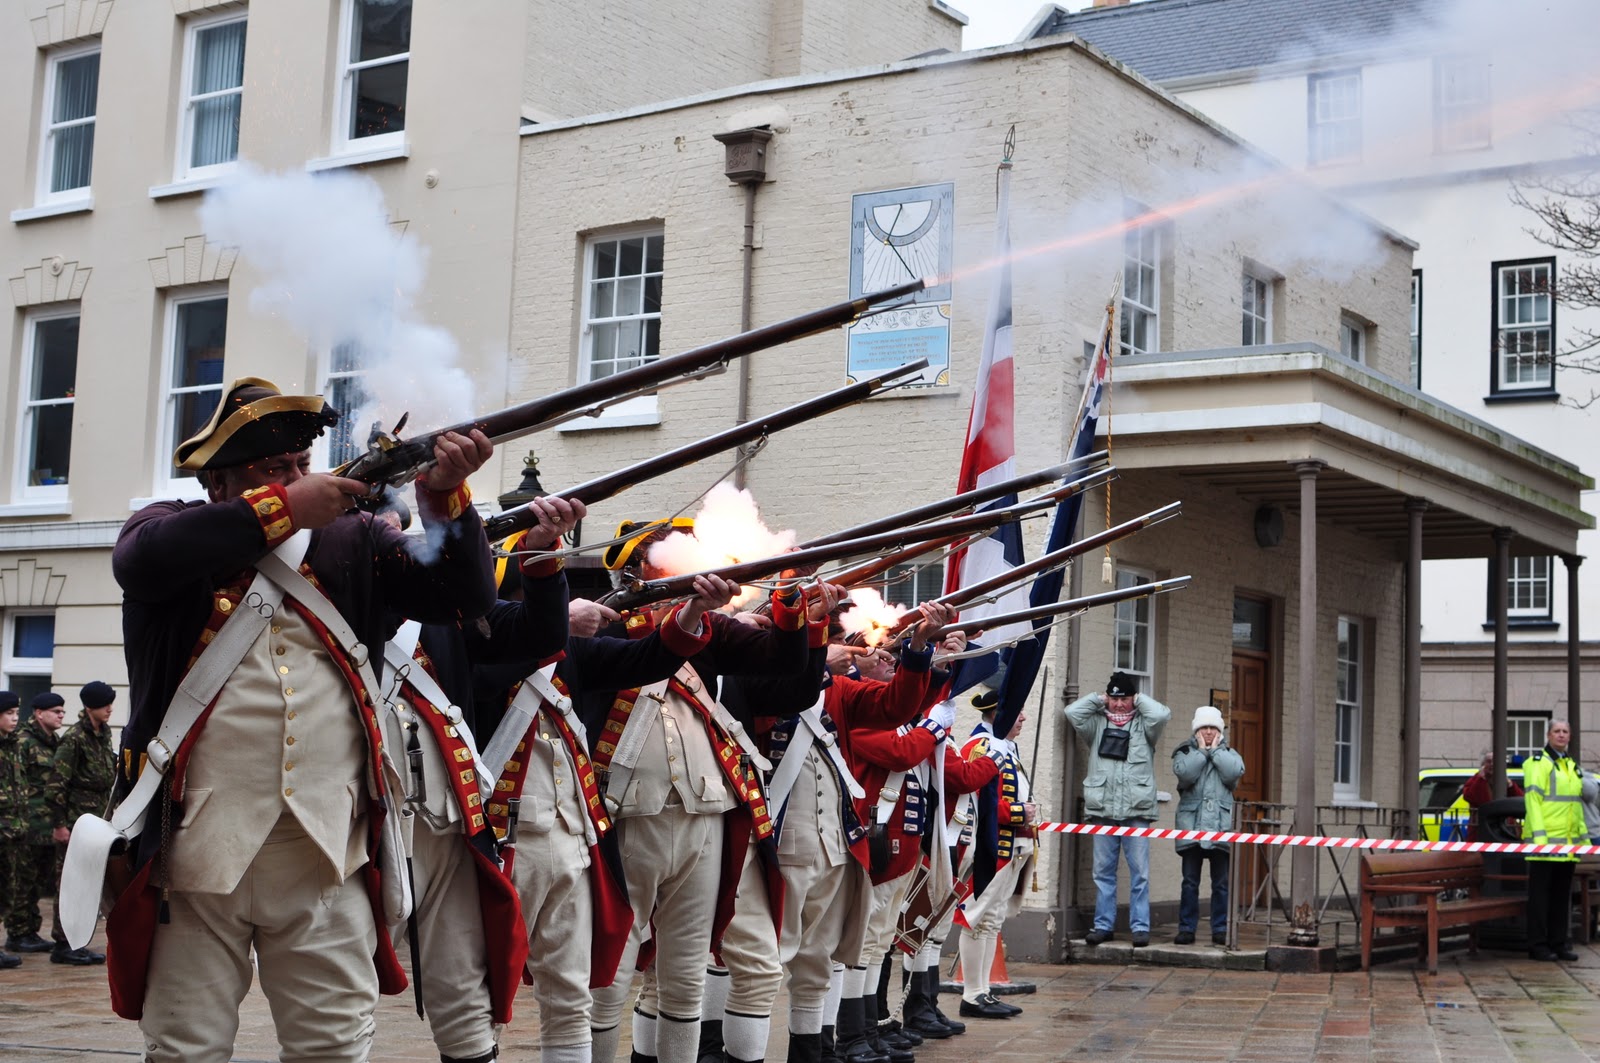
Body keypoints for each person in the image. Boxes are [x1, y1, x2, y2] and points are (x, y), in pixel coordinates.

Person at [107, 377, 497, 1062]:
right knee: (185, 1048)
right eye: (272, 470)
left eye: (298, 467)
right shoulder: (167, 532)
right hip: (194, 855)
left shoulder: (352, 540)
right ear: (222, 482)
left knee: (334, 1048)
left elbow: (463, 596)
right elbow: (145, 557)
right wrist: (285, 507)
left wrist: (444, 495)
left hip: (327, 851)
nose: (294, 479)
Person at [582, 517, 819, 1063]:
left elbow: (786, 667)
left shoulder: (714, 630)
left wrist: (788, 592)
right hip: (623, 814)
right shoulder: (609, 626)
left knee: (686, 973)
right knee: (610, 968)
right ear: (642, 567)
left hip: (707, 814)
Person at [1065, 671, 1170, 947]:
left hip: (1136, 812)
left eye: (1124, 698)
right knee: (1102, 873)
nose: (1119, 704)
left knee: (1140, 874)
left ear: (1133, 699)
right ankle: (1103, 926)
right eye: (1114, 698)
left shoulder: (1145, 725)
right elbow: (1072, 713)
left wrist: (1139, 699)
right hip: (1103, 811)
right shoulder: (1096, 725)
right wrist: (1097, 699)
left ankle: (1140, 928)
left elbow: (1161, 715)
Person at [953, 695, 1036, 1020]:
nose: (1024, 718)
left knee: (992, 920)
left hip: (1012, 846)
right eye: (1017, 712)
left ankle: (982, 991)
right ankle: (972, 994)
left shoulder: (1005, 747)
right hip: (991, 846)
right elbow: (976, 801)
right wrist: (1018, 811)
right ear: (997, 715)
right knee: (978, 919)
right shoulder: (981, 746)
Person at [45, 681, 118, 965]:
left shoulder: (103, 734)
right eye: (104, 705)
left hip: (98, 821)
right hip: (75, 822)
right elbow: (56, 785)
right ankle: (63, 943)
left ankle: (77, 941)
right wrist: (60, 825)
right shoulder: (74, 738)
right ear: (89, 707)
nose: (110, 709)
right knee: (69, 882)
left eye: (111, 703)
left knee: (88, 883)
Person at [1170, 705, 1243, 947]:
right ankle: (1186, 928)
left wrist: (1216, 752)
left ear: (1220, 731)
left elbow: (1233, 774)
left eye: (1213, 728)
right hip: (1192, 826)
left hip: (1220, 828)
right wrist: (1202, 752)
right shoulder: (1184, 751)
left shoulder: (1230, 754)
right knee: (1190, 881)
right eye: (1204, 728)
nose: (1209, 732)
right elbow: (1185, 775)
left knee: (1220, 883)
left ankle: (1220, 928)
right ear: (1196, 730)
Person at [9, 691, 68, 956]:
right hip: (27, 823)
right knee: (24, 879)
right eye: (56, 711)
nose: (61, 715)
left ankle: (31, 930)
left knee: (39, 879)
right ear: (38, 713)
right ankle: (18, 932)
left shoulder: (54, 741)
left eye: (62, 711)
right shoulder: (22, 741)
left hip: (48, 824)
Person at [1522, 719, 1585, 962]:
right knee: (1540, 897)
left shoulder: (1570, 765)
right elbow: (1533, 802)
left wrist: (1583, 841)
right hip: (1545, 842)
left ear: (1570, 736)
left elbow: (1575, 807)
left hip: (1566, 844)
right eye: (1556, 731)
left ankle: (1559, 943)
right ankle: (1538, 946)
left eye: (1565, 731)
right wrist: (1540, 837)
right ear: (1548, 735)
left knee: (1561, 896)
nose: (1561, 735)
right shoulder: (1540, 763)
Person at [0, 693, 24, 968]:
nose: (15, 718)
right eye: (9, 713)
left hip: (11, 832)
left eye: (17, 712)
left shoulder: (13, 746)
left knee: (7, 891)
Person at [1461, 752, 1523, 842]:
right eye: (1489, 762)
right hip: (1481, 832)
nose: (1492, 764)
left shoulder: (1505, 781)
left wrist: (1509, 785)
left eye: (1496, 762)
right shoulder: (1476, 780)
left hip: (1505, 830)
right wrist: (1481, 778)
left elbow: (1519, 800)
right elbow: (1471, 796)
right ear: (1483, 765)